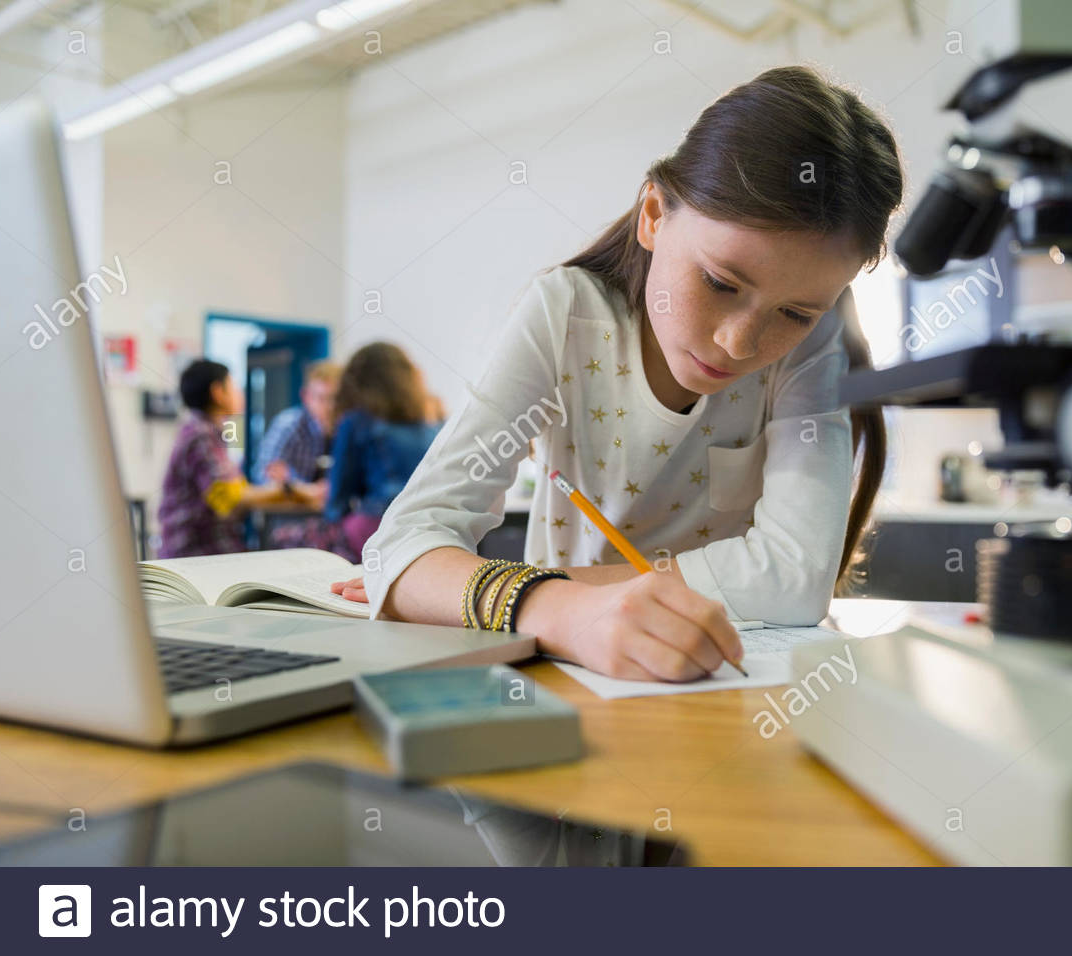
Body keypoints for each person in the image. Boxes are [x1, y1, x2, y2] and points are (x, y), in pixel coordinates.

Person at [333, 66, 902, 684]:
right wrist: (564, 612)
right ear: (654, 213)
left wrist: (500, 591)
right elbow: (403, 544)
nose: (738, 343)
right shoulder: (568, 313)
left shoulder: (813, 347)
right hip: (564, 677)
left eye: (794, 312)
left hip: (731, 686)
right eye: (719, 282)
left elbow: (794, 580)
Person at [157, 360, 321, 558]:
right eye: (234, 385)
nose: (240, 392)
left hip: (210, 546)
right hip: (194, 552)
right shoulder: (200, 433)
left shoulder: (211, 431)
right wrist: (294, 490)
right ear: (218, 392)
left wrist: (297, 494)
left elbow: (236, 490)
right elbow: (231, 496)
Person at [323, 343, 445, 557]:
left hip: (380, 528)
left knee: (285, 536)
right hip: (433, 532)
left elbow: (339, 499)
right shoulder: (435, 420)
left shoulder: (358, 422)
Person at [251, 359, 341, 489]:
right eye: (322, 398)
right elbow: (263, 475)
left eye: (336, 399)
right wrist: (299, 486)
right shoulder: (288, 425)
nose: (331, 407)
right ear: (306, 397)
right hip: (290, 508)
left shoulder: (346, 427)